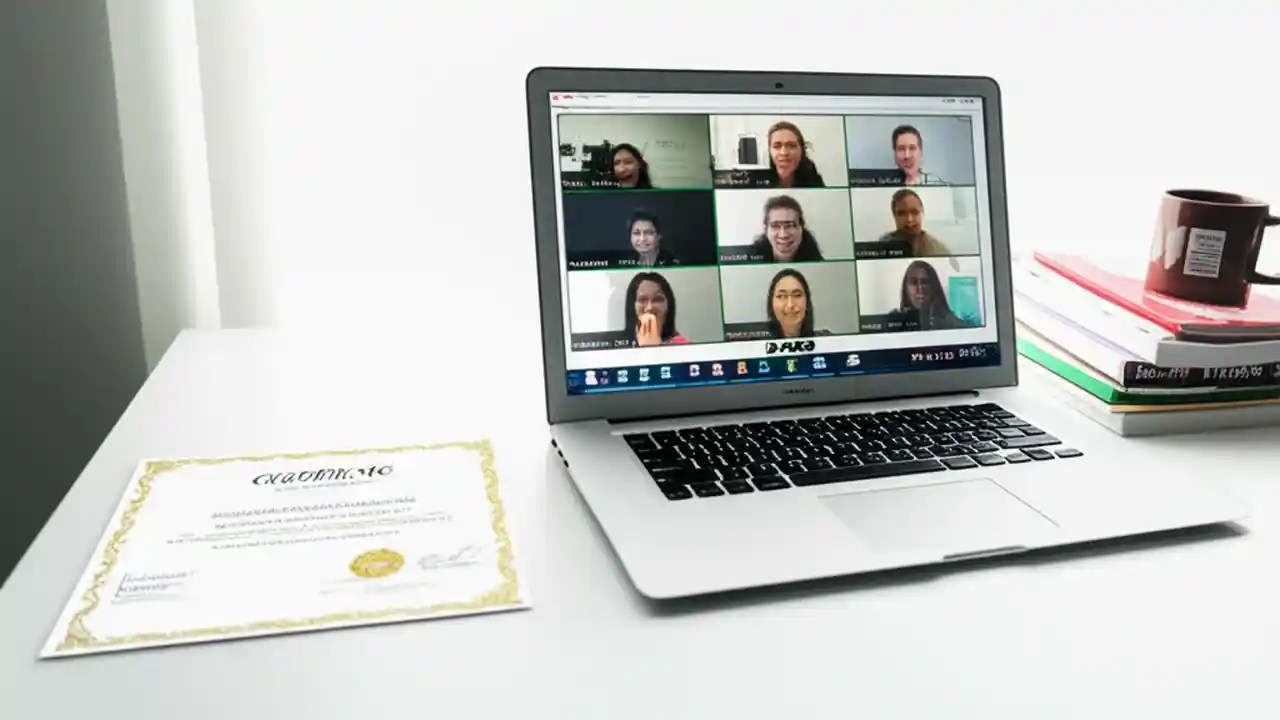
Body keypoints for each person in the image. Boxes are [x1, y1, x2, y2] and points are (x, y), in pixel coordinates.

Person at [888, 260, 969, 330]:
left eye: (925, 282)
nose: (920, 289)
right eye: (914, 282)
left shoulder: (951, 323)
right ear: (905, 288)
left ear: (934, 287)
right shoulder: (894, 321)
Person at [873, 189, 950, 256]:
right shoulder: (882, 246)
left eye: (914, 212)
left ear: (922, 212)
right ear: (894, 215)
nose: (909, 219)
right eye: (902, 213)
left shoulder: (938, 249)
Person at [749, 195, 824, 262]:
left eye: (789, 225)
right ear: (766, 230)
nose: (783, 235)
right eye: (775, 226)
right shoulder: (751, 260)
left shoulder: (818, 263)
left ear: (801, 227)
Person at [623, 272, 689, 347]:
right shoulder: (619, 344)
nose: (649, 307)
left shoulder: (683, 346)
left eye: (657, 299)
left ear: (668, 305)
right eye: (642, 300)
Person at [765, 269, 830, 338]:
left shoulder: (826, 341)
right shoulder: (757, 344)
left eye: (797, 295)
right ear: (771, 303)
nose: (790, 304)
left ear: (807, 302)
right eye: (781, 296)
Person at [765, 121, 825, 188]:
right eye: (777, 146)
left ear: (802, 149)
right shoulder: (757, 179)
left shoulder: (813, 179)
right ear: (769, 150)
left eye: (791, 146)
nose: (784, 153)